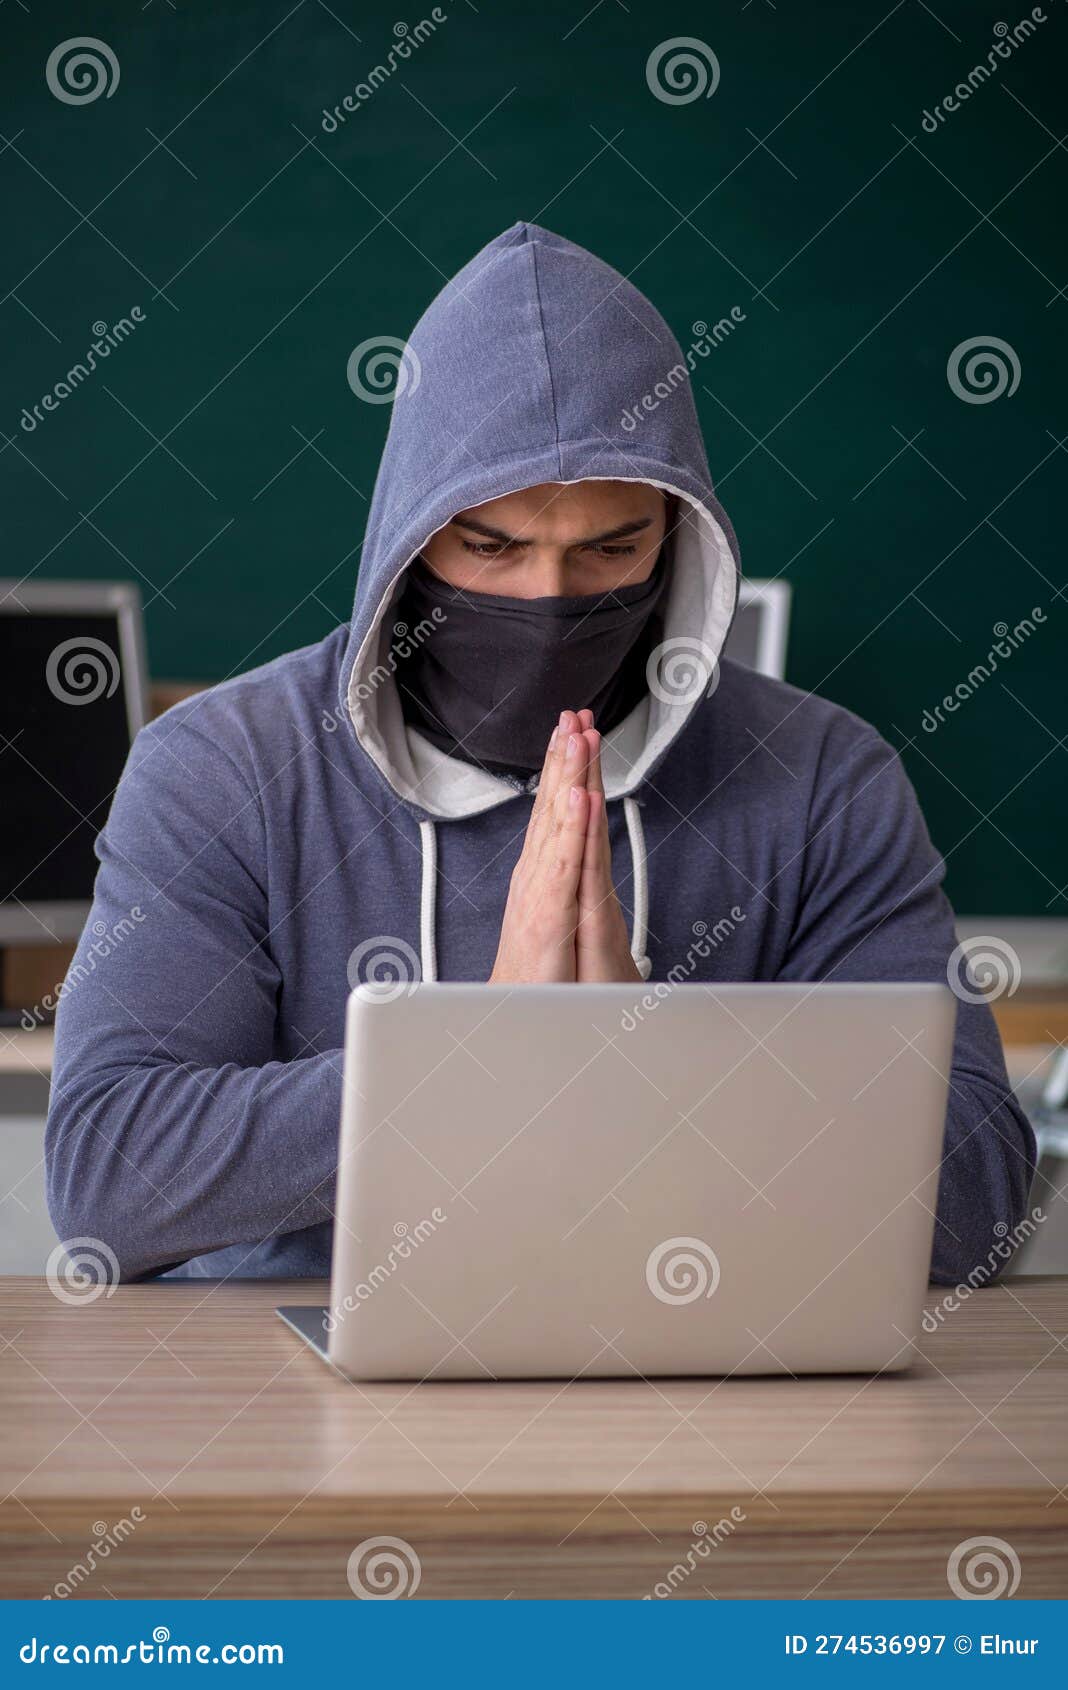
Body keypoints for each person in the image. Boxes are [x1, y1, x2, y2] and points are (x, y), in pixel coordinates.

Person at [45, 223, 1034, 1285]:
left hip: (703, 1402)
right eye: (491, 546)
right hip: (303, 1416)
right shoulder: (226, 768)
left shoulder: (822, 779)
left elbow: (975, 1197)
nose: (548, 599)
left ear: (678, 535)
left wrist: (645, 1061)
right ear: (409, 535)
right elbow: (110, 1175)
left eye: (612, 548)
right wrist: (477, 1057)